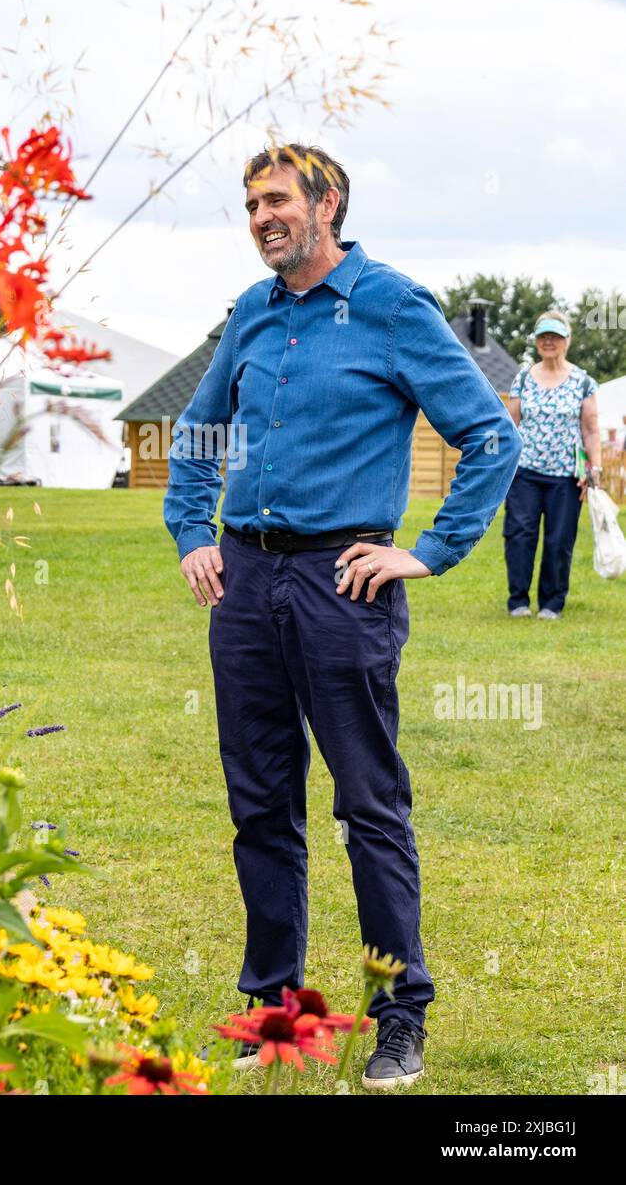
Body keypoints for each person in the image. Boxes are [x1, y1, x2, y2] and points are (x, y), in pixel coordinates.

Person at [163, 143, 522, 1092]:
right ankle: (274, 1008)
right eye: (249, 205)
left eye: (276, 200)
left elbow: (490, 433)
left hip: (344, 585)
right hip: (243, 584)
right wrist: (190, 524)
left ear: (328, 203)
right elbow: (198, 429)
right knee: (259, 807)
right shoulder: (249, 312)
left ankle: (399, 1015)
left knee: (369, 807)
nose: (260, 217)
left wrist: (427, 550)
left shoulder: (393, 307)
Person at [504, 312, 601, 620]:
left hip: (565, 476)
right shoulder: (522, 378)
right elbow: (510, 424)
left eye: (555, 336)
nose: (549, 341)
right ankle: (518, 600)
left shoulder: (583, 381)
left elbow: (591, 429)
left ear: (566, 341)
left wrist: (594, 468)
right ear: (536, 340)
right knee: (519, 534)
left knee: (559, 539)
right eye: (543, 336)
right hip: (525, 473)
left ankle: (552, 603)